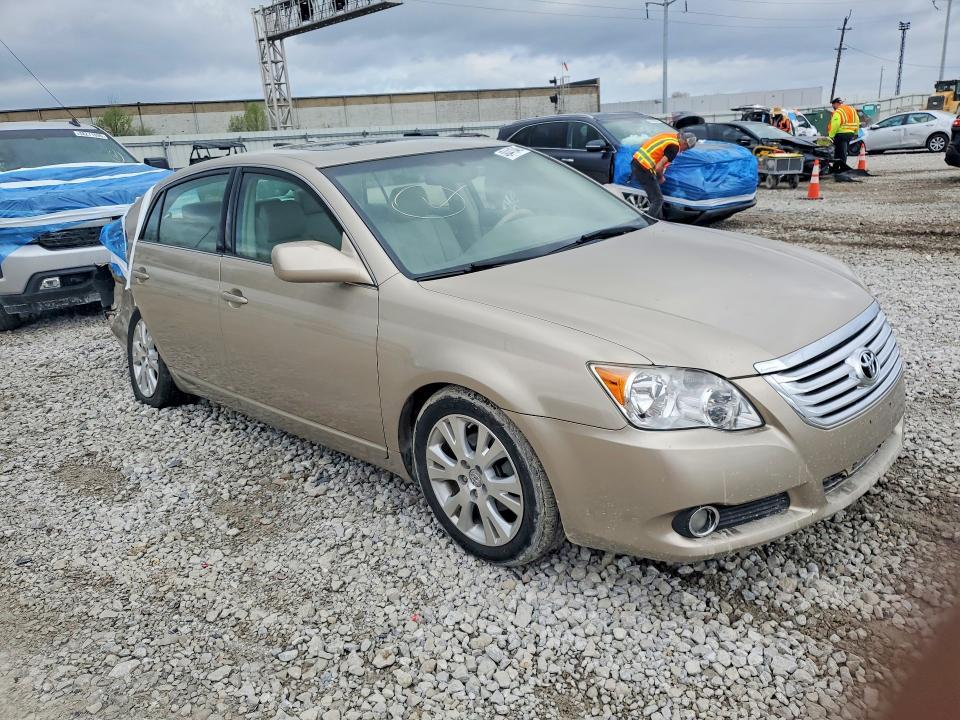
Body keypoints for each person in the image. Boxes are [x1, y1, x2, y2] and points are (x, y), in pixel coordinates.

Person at [630, 131, 697, 219]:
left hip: (636, 162)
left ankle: (658, 219)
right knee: (658, 200)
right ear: (684, 143)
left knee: (655, 195)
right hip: (644, 169)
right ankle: (648, 222)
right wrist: (661, 177)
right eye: (686, 149)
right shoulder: (674, 147)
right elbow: (658, 167)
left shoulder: (669, 136)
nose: (683, 151)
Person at [828, 96, 860, 177]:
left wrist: (831, 135)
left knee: (839, 152)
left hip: (841, 134)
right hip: (850, 134)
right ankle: (836, 168)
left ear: (836, 104)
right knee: (842, 151)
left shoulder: (838, 111)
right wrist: (856, 132)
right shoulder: (851, 109)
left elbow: (835, 124)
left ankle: (841, 169)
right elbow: (857, 121)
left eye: (833, 105)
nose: (833, 107)